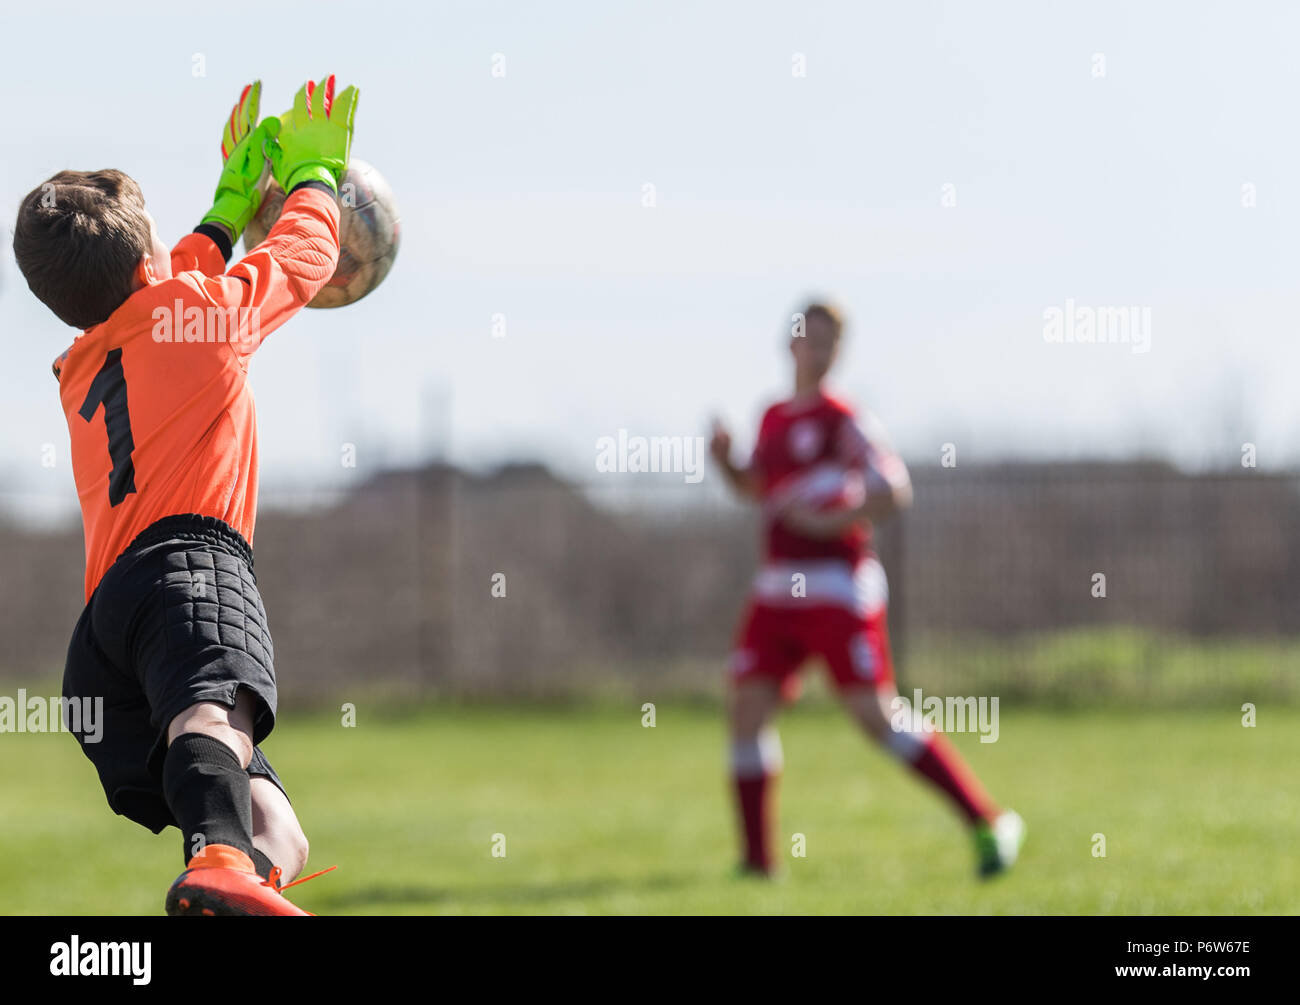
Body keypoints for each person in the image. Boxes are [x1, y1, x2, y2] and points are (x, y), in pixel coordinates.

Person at [13, 76, 358, 915]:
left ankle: (225, 883)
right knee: (213, 726)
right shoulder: (198, 314)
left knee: (278, 835)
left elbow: (160, 289)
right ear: (147, 264)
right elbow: (302, 261)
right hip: (189, 575)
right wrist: (315, 177)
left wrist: (228, 209)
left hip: (104, 639)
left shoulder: (82, 364)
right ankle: (215, 866)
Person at [710, 301, 1025, 878]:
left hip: (837, 588)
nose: (819, 350)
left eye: (831, 342)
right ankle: (758, 864)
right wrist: (725, 463)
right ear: (791, 344)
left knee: (875, 717)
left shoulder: (843, 419)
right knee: (746, 711)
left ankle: (987, 820)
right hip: (778, 589)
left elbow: (893, 490)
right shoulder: (773, 416)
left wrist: (833, 521)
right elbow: (755, 489)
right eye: (812, 338)